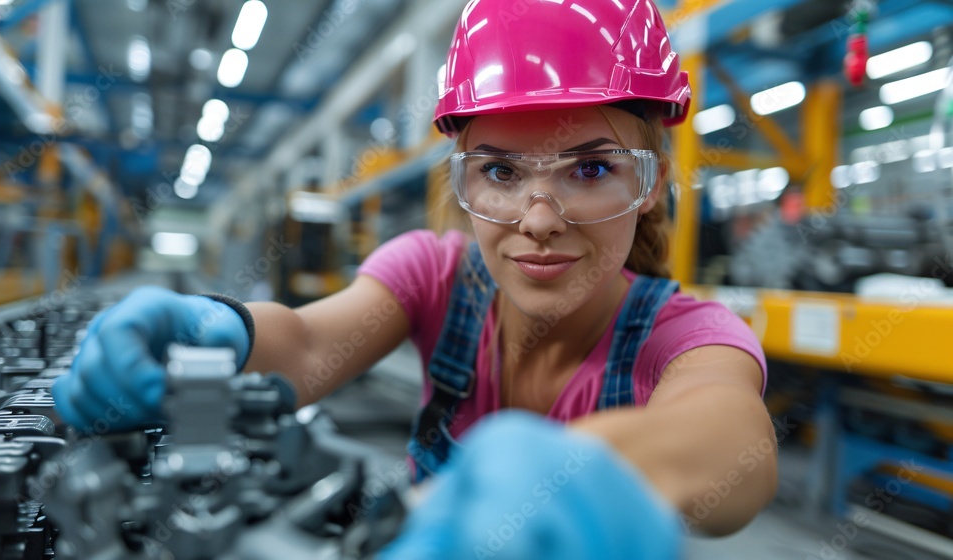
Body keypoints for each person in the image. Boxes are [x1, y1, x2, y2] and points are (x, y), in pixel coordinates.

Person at [52, 0, 777, 557]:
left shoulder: (684, 336)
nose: (539, 219)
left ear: (650, 185)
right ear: (463, 181)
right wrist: (216, 335)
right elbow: (306, 345)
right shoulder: (437, 276)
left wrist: (588, 474)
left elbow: (729, 442)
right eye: (498, 171)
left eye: (591, 170)